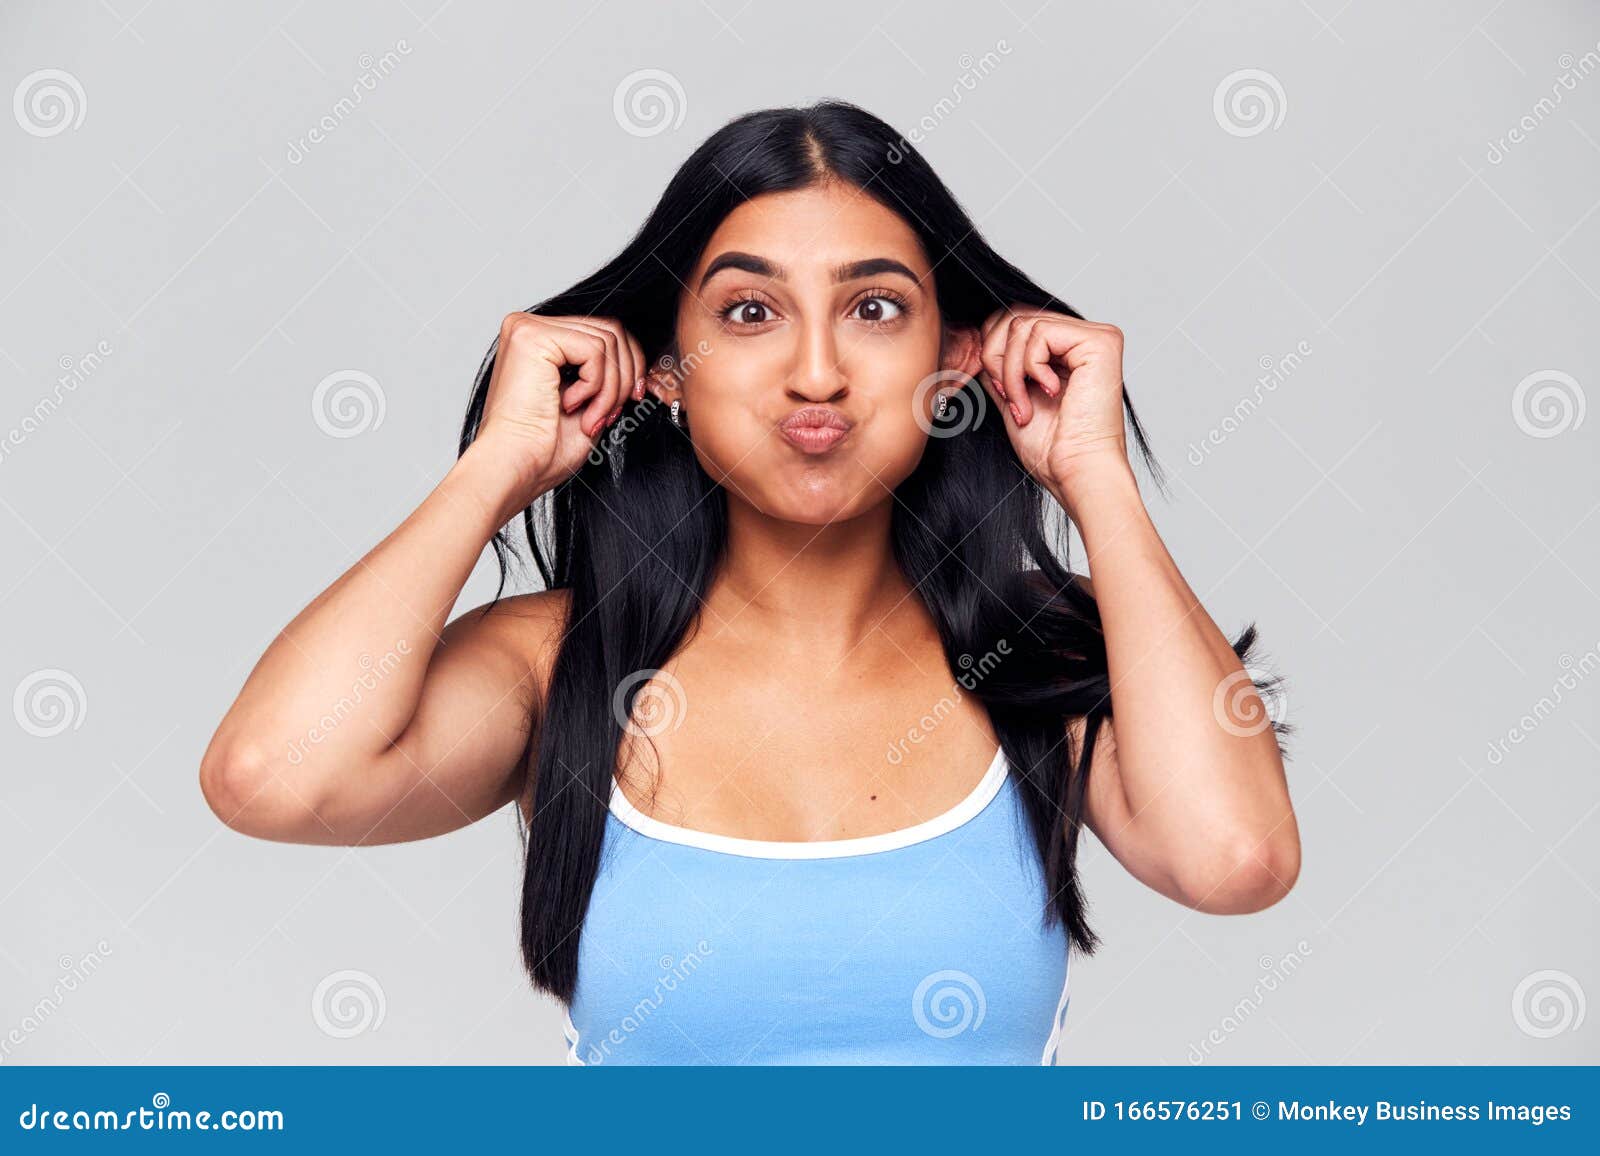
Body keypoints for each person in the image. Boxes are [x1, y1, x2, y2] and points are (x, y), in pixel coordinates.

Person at [201, 100, 1299, 1065]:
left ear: (953, 357)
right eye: (747, 312)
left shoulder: (1044, 652)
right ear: (667, 369)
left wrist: (1096, 478)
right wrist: (499, 464)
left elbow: (1235, 858)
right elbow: (270, 778)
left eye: (874, 309)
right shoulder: (558, 661)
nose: (815, 371)